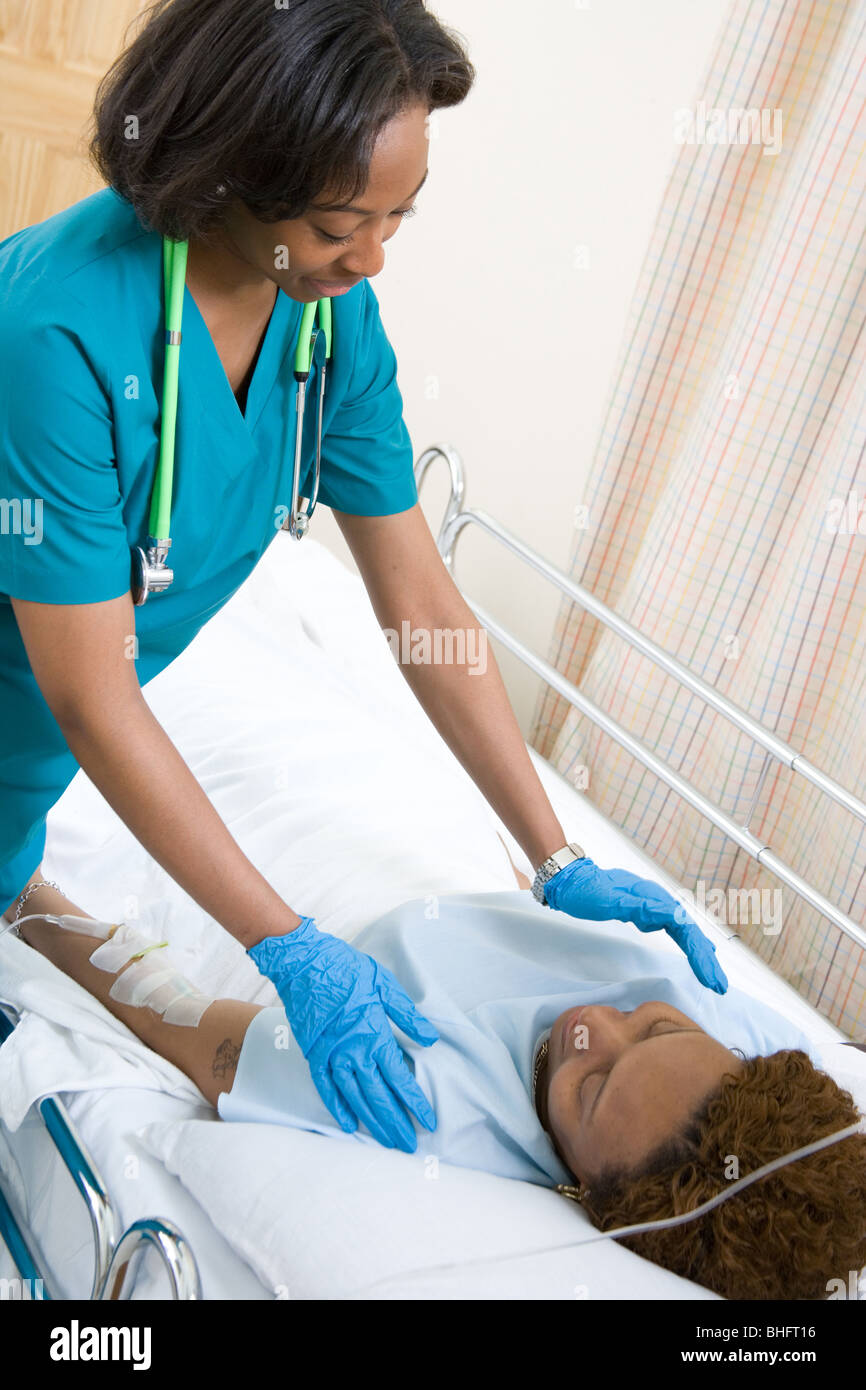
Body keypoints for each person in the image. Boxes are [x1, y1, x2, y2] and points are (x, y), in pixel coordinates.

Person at [0, 0, 724, 1153]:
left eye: (399, 217)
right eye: (346, 220)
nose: (375, 255)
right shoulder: (56, 330)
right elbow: (91, 692)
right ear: (234, 167)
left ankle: (24, 897)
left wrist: (554, 852)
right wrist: (282, 943)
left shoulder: (326, 324)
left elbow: (423, 609)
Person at [9, 875, 866, 1300]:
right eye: (655, 1024)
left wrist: (24, 892)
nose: (591, 1026)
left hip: (317, 935)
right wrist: (557, 855)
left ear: (588, 1197)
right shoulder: (759, 1056)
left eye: (591, 1086)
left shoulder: (413, 1100)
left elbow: (177, 1015)